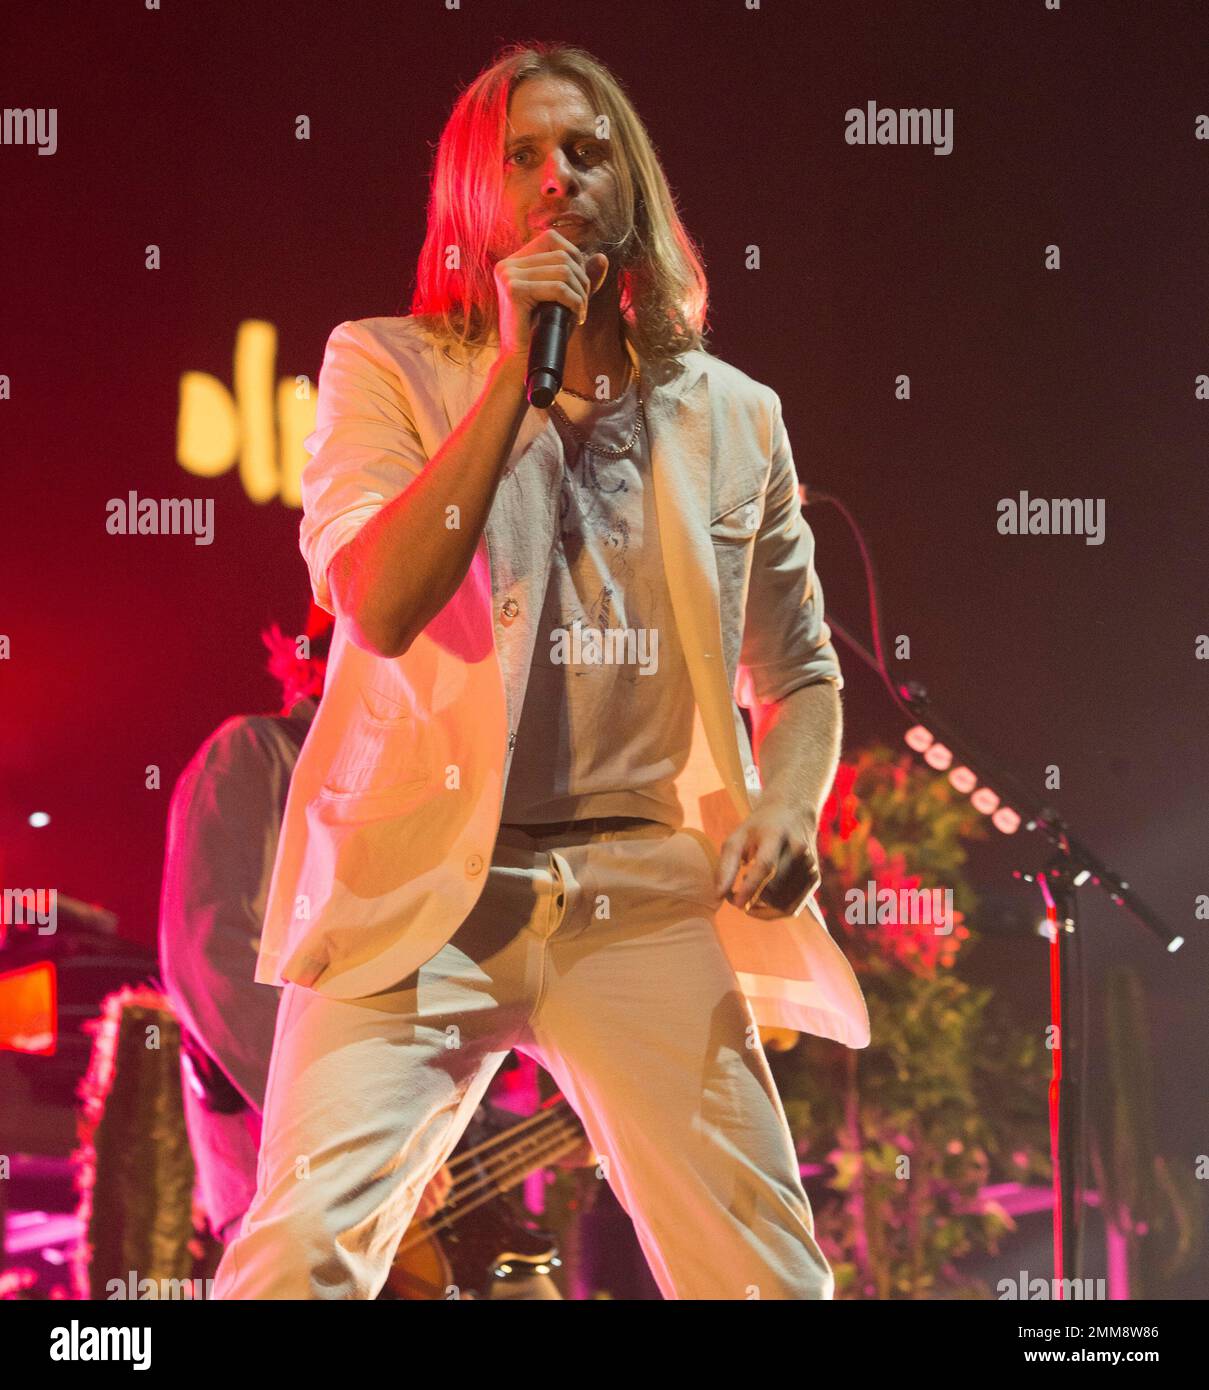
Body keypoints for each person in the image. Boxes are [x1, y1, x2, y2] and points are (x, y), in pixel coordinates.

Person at [214, 40, 869, 1303]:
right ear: (474, 197)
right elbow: (378, 602)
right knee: (297, 1257)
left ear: (636, 186)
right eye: (521, 156)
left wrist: (790, 804)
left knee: (768, 1280)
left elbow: (799, 676)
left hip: (640, 891)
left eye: (586, 149)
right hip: (424, 889)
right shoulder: (383, 366)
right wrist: (518, 378)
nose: (557, 176)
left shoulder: (737, 416)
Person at [158, 606, 574, 1298]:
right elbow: (210, 963)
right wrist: (356, 1134)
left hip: (416, 1166)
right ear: (322, 665)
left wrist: (556, 1124)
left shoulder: (418, 794)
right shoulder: (255, 752)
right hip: (299, 1168)